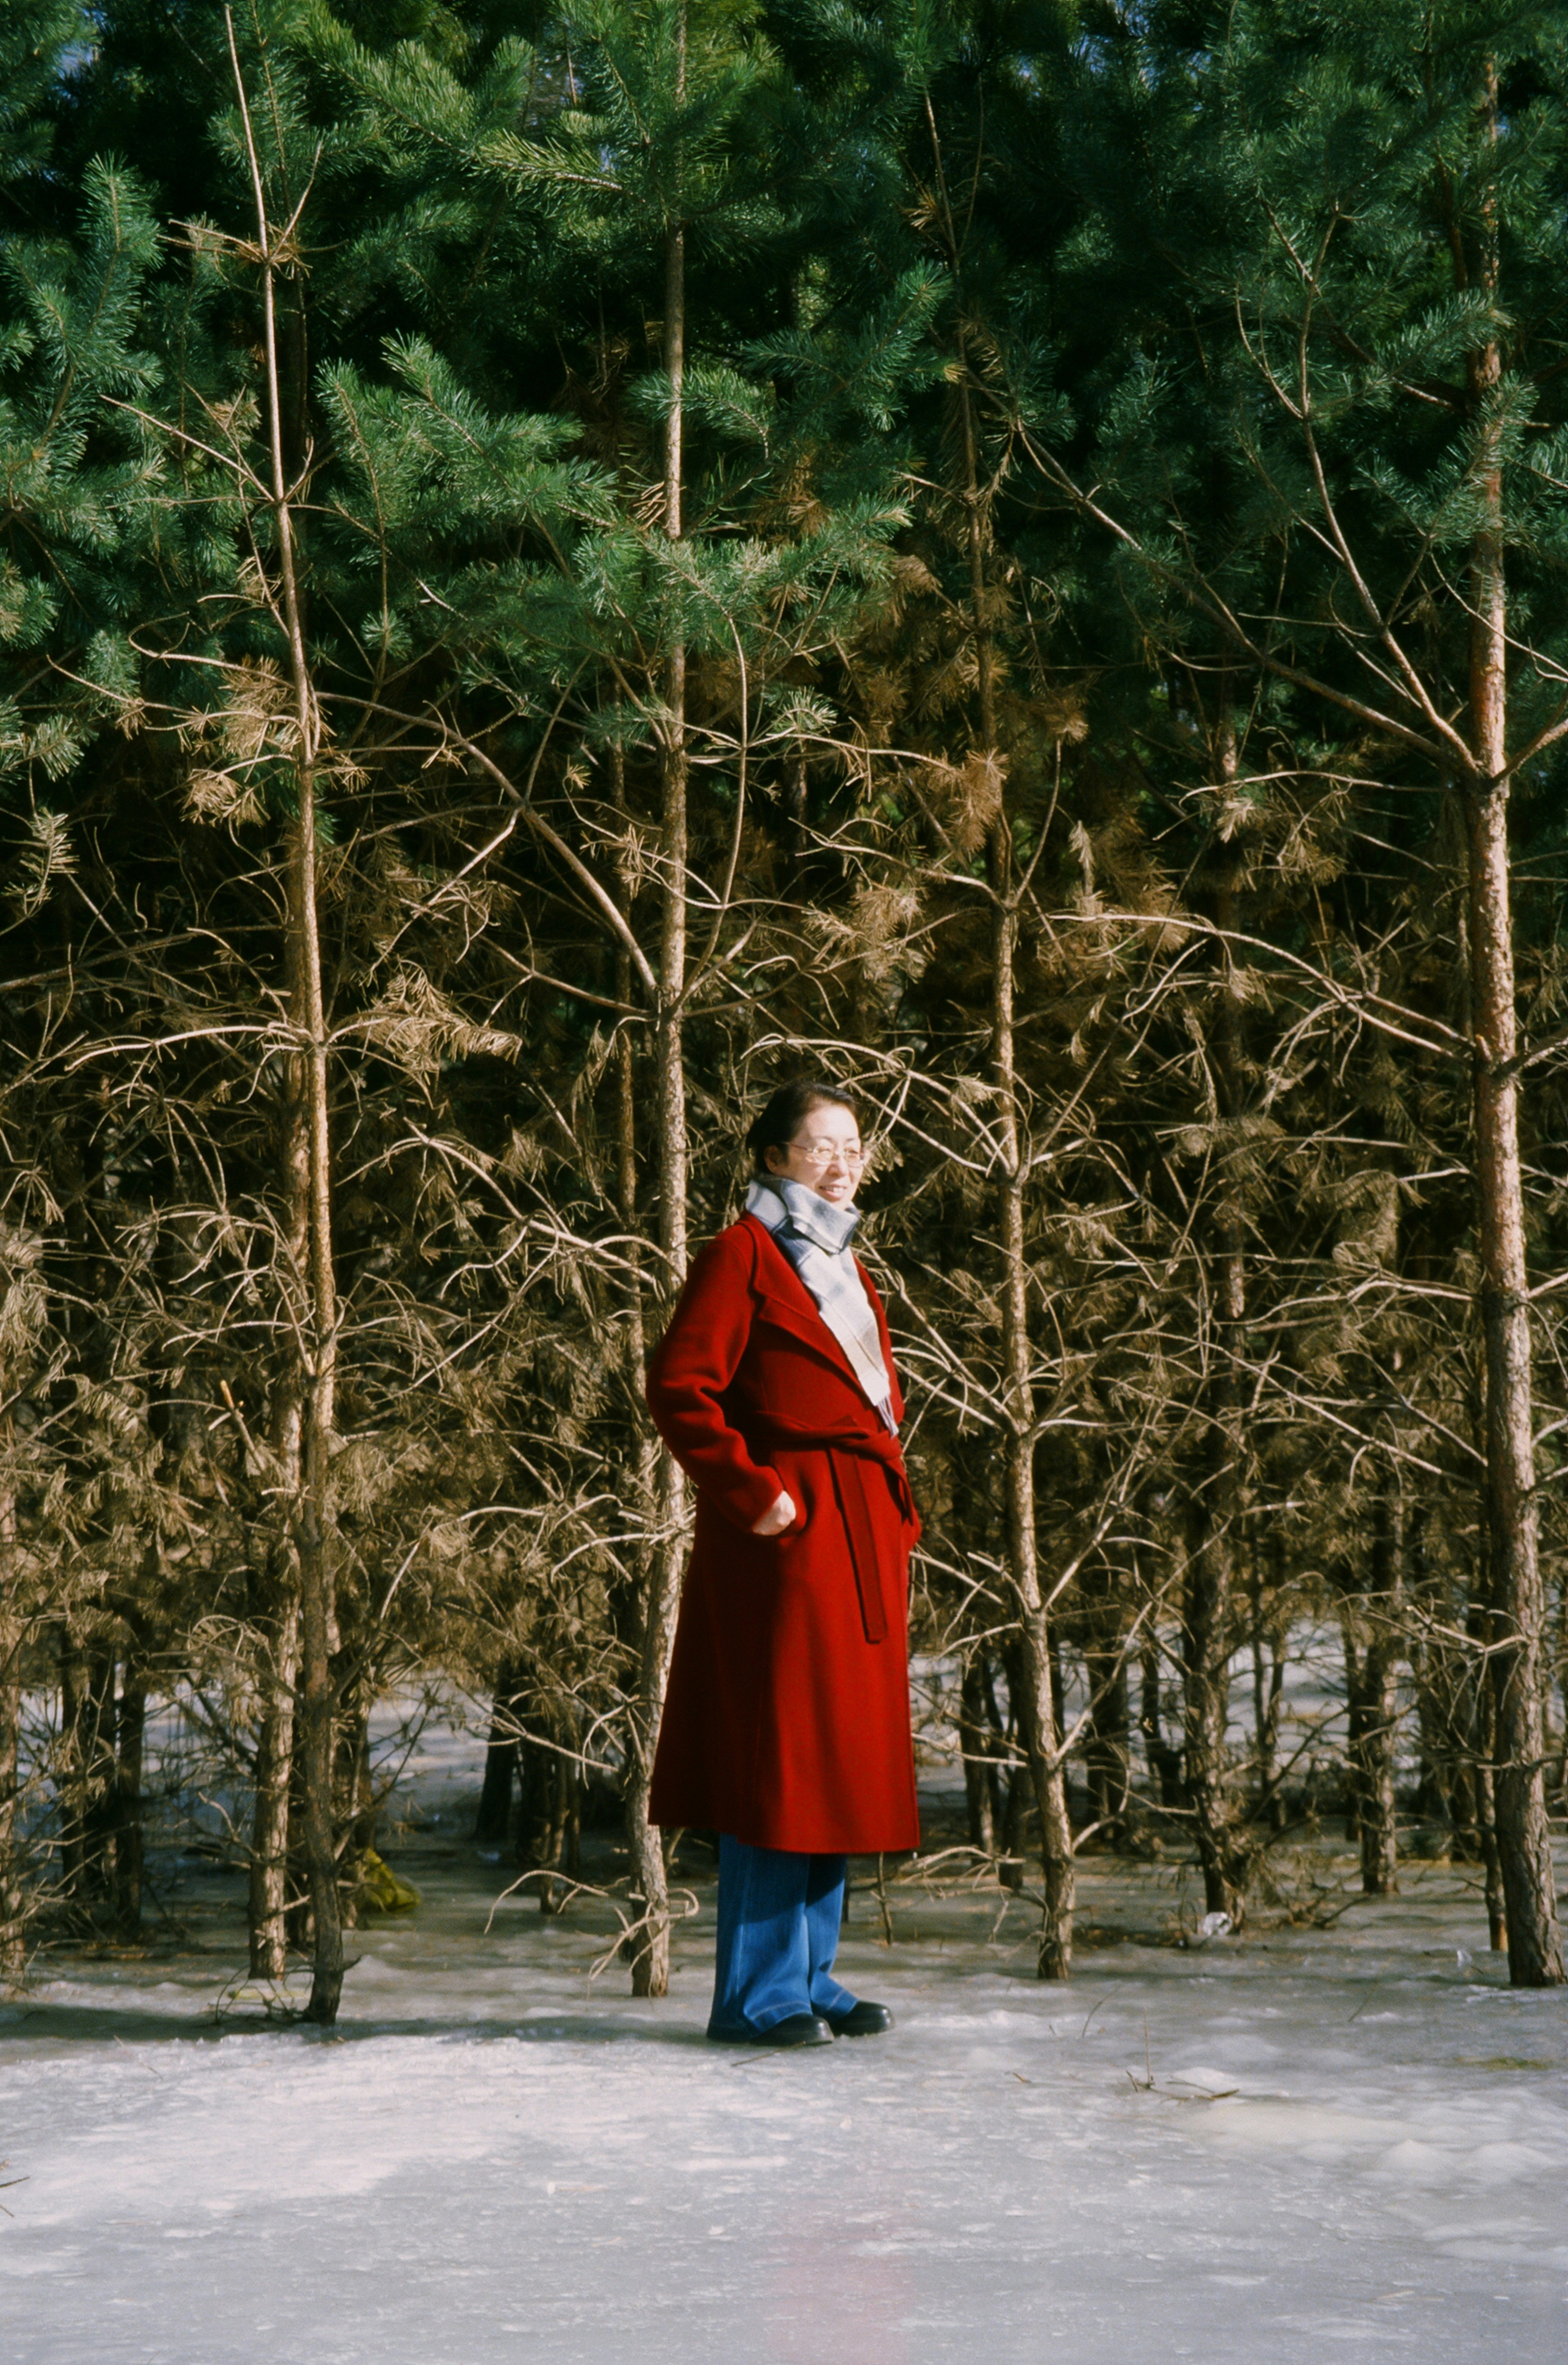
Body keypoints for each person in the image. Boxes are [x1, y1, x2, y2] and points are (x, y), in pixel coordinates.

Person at [645, 1077, 920, 2048]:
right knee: (783, 1760)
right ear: (771, 1158)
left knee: (836, 1762)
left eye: (853, 1146)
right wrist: (756, 1493)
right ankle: (756, 1994)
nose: (842, 1162)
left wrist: (890, 1520)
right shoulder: (743, 1255)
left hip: (857, 1540)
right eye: (819, 1146)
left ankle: (810, 1973)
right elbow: (681, 1387)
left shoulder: (847, 1265)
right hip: (786, 1539)